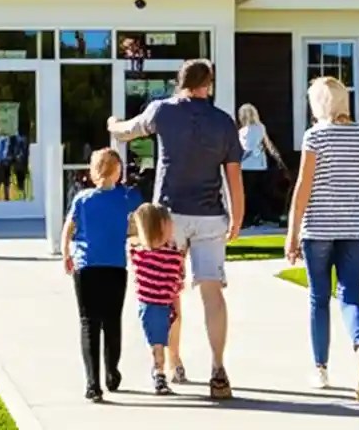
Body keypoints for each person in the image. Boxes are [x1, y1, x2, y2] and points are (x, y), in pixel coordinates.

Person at [107, 58, 245, 400]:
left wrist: (112, 124)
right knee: (211, 292)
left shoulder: (162, 111)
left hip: (167, 218)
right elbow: (233, 178)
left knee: (167, 291)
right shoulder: (223, 122)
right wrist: (237, 216)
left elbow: (126, 131)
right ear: (207, 85)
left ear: (179, 83)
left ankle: (174, 361)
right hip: (211, 216)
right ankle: (217, 369)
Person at [285, 76, 359, 403]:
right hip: (358, 225)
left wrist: (292, 233)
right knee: (351, 296)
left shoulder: (315, 137)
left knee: (318, 298)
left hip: (320, 226)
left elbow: (304, 186)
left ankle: (321, 368)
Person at [60, 148, 143, 402]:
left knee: (88, 323)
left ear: (94, 171)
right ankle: (112, 372)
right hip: (115, 267)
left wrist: (66, 253)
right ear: (117, 170)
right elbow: (143, 221)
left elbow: (69, 228)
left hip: (86, 267)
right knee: (112, 321)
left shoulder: (82, 199)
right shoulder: (128, 197)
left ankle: (92, 383)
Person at [129, 203, 187, 396]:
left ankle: (169, 366)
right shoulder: (172, 255)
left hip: (158, 304)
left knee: (162, 340)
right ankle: (159, 372)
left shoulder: (138, 253)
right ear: (161, 227)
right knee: (159, 344)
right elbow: (178, 279)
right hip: (157, 305)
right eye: (169, 223)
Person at [238, 103, 284, 227]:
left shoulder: (242, 131)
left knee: (248, 193)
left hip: (246, 166)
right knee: (260, 192)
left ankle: (249, 217)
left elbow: (245, 150)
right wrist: (277, 157)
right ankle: (262, 215)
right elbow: (268, 144)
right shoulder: (260, 127)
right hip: (260, 165)